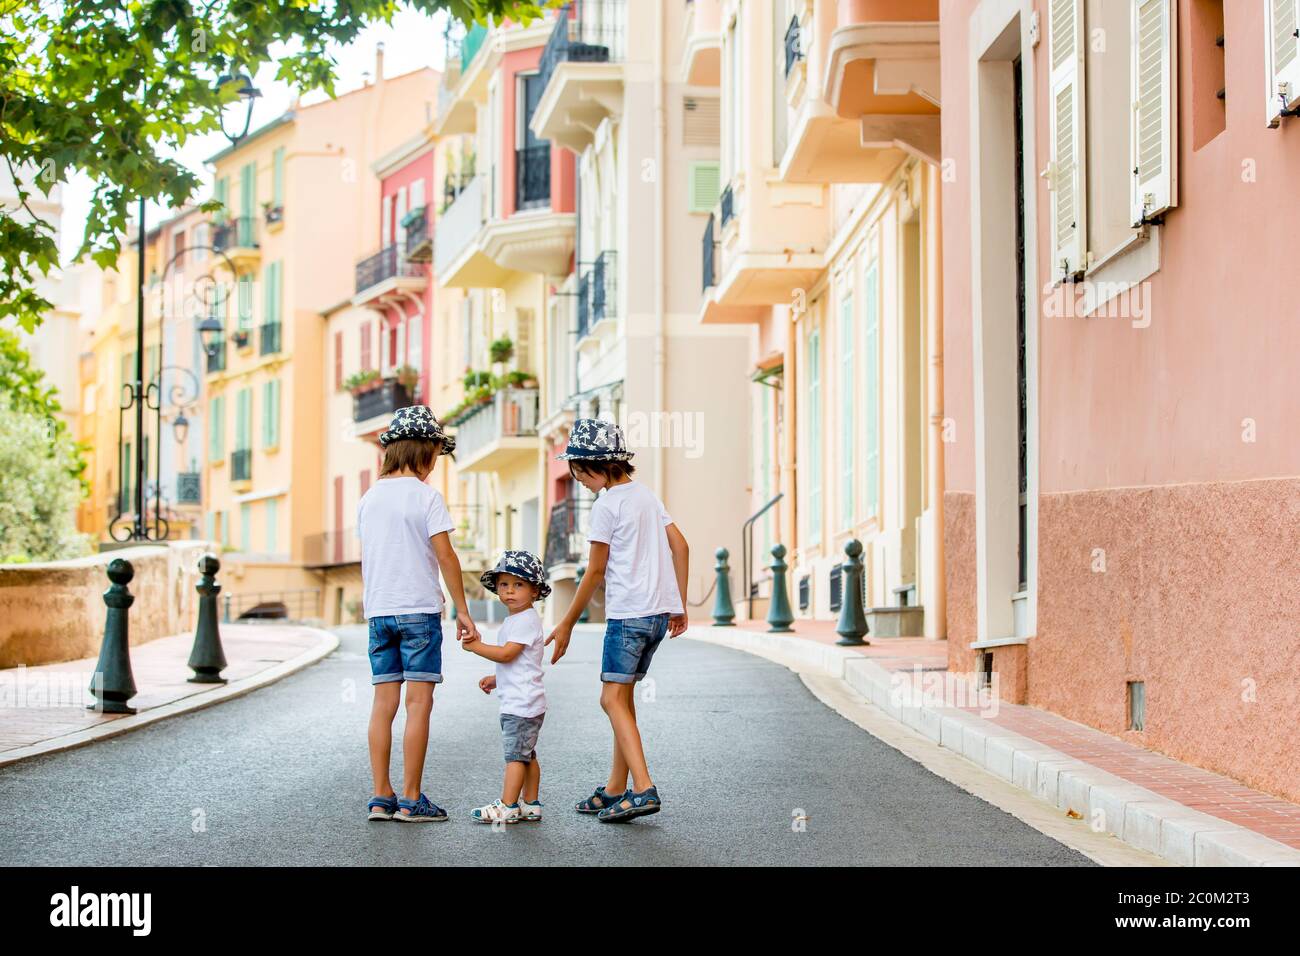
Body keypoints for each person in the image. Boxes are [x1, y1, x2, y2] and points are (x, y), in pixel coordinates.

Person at [546, 418, 689, 823]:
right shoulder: (646, 496)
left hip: (627, 617)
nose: (580, 482)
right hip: (658, 616)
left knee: (609, 699)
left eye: (579, 473)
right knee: (622, 699)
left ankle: (643, 789)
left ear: (596, 467)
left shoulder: (607, 505)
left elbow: (593, 572)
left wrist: (567, 623)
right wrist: (677, 603)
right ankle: (614, 788)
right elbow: (682, 545)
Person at [359, 406, 478, 823]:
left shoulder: (369, 498)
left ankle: (379, 796)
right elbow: (446, 555)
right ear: (424, 451)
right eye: (434, 454)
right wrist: (463, 609)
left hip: (379, 613)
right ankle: (410, 798)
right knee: (419, 704)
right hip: (419, 614)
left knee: (383, 704)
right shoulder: (427, 496)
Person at [460, 550, 551, 825]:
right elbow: (519, 663)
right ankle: (531, 803)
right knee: (527, 755)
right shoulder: (519, 619)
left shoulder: (524, 620)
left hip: (521, 705)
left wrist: (476, 647)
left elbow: (508, 654)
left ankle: (508, 805)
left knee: (515, 757)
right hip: (527, 701)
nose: (510, 591)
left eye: (518, 584)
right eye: (504, 584)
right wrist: (497, 678)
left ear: (534, 591)